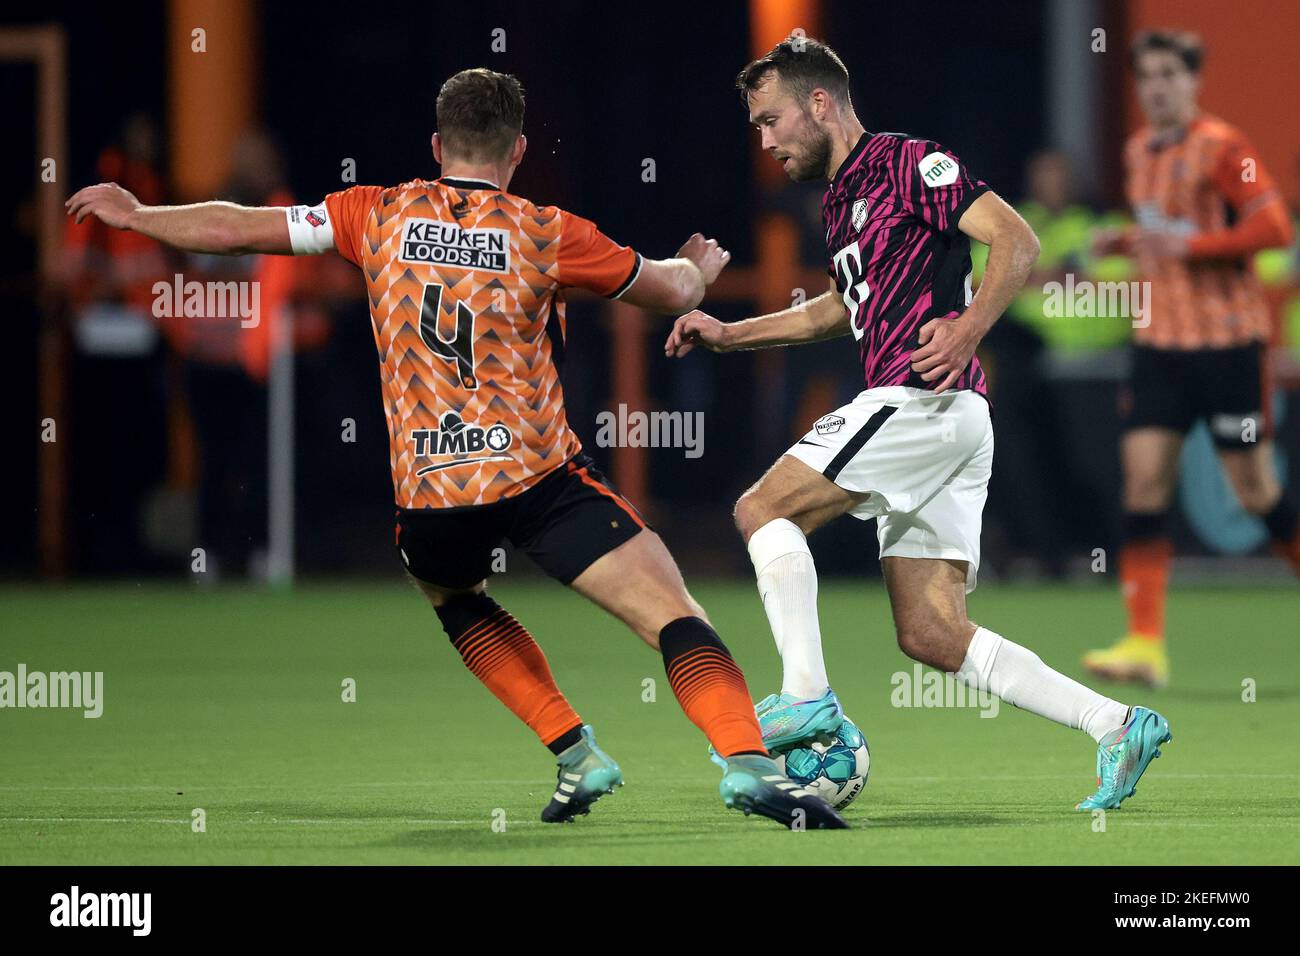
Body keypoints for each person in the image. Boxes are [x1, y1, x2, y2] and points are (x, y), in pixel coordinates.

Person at [67, 68, 845, 829]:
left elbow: (242, 229)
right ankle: (748, 762)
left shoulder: (375, 213)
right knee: (673, 615)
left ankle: (576, 752)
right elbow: (670, 291)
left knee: (457, 599)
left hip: (431, 496)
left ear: (438, 143)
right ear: (517, 151)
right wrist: (697, 269)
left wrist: (140, 213)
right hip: (539, 477)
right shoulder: (545, 230)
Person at [665, 36, 1169, 811]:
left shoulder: (908, 162)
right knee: (931, 633)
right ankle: (1116, 723)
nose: (764, 141)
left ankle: (806, 696)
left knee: (760, 508)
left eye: (771, 121)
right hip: (945, 420)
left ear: (820, 104)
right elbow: (841, 308)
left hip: (921, 399)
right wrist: (733, 334)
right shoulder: (839, 201)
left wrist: (967, 326)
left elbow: (1017, 239)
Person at [1083, 31, 1298, 688]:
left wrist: (1189, 247)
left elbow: (1274, 230)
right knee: (1143, 484)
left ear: (1192, 81)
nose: (1157, 87)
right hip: (1160, 349)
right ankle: (1145, 644)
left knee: (1254, 490)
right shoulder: (1137, 151)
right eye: (1146, 76)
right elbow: (1159, 235)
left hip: (1229, 346)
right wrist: (1121, 240)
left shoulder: (1224, 147)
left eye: (1170, 74)